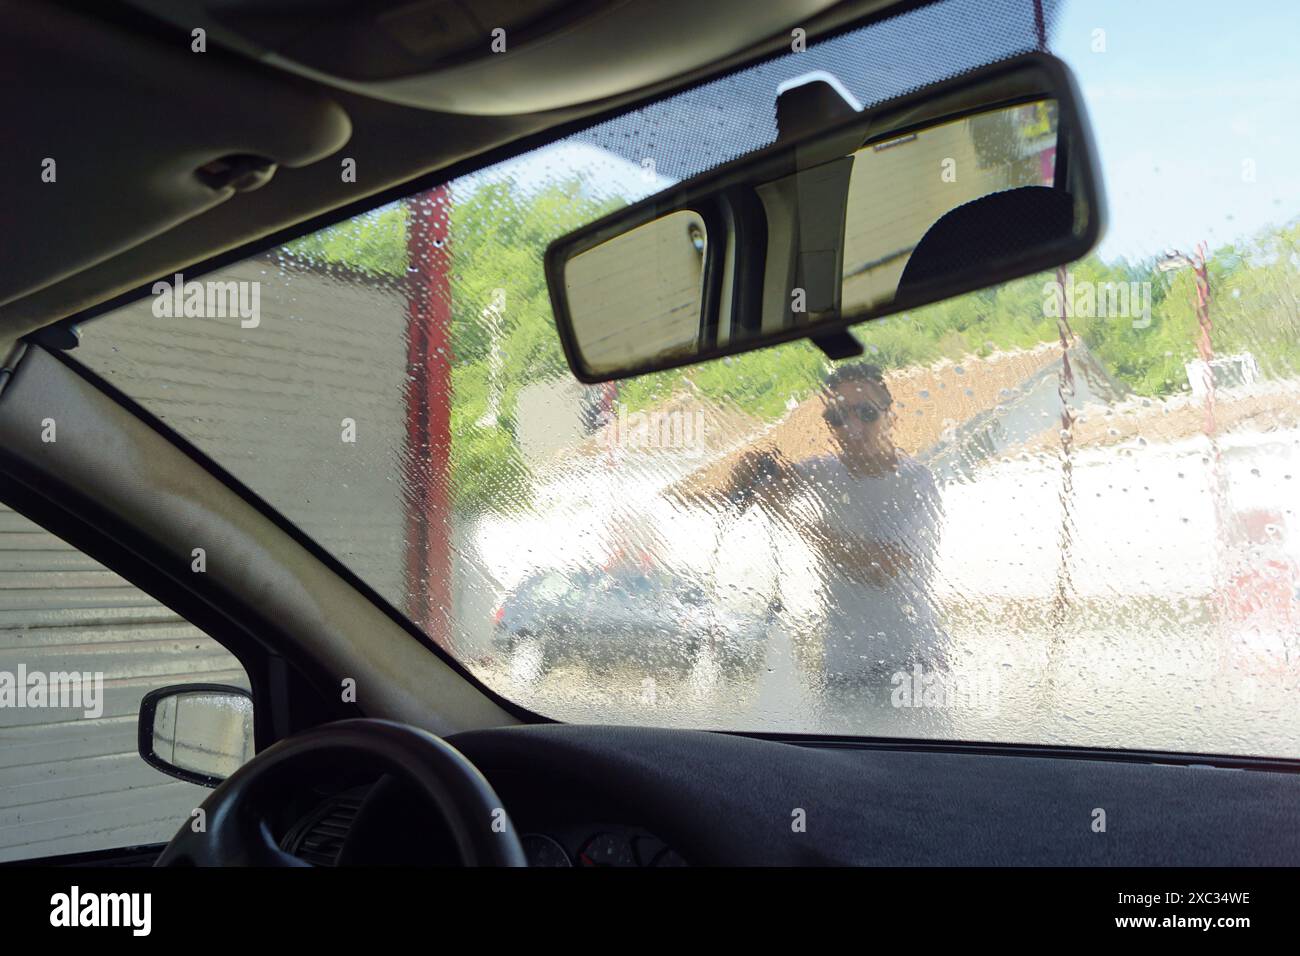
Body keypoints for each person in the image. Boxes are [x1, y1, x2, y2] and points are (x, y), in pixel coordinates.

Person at [724, 362, 946, 682]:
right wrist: (746, 473)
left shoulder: (916, 482)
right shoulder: (821, 472)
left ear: (891, 418)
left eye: (866, 413)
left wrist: (793, 517)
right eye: (837, 418)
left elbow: (881, 569)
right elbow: (750, 492)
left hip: (911, 663)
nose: (851, 428)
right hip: (843, 663)